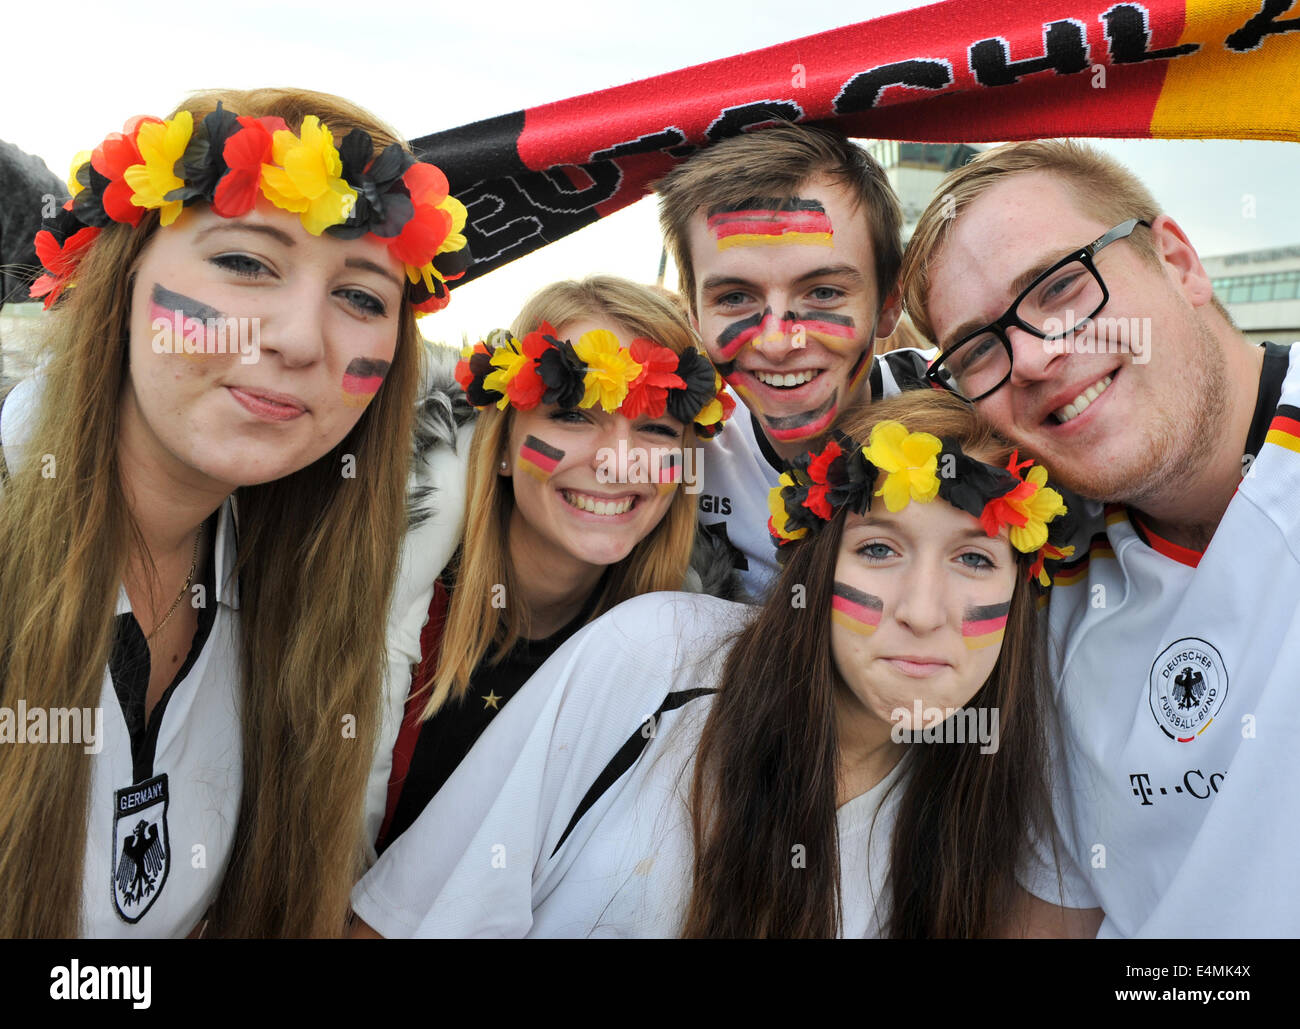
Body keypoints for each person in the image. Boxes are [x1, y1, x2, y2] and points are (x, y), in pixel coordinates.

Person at [350, 389, 1096, 938]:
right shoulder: (657, 652)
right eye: (878, 548)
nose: (924, 610)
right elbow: (395, 923)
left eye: (973, 557)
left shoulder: (1002, 803)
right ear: (815, 565)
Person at [0, 87, 470, 938]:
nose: (299, 338)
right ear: (124, 278)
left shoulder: (302, 597)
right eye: (247, 264)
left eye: (362, 297)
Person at [900, 139, 1299, 937]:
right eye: (979, 349)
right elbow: (1058, 909)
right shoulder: (1051, 599)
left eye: (1059, 286)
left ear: (1179, 262)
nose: (1038, 358)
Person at [374, 276, 735, 852]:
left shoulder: (691, 663)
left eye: (655, 427)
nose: (619, 464)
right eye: (572, 416)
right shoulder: (386, 591)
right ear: (504, 447)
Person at [654, 123, 933, 603]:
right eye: (736, 297)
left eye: (824, 292)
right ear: (694, 316)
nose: (778, 342)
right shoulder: (667, 445)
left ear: (890, 302)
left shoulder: (983, 420)